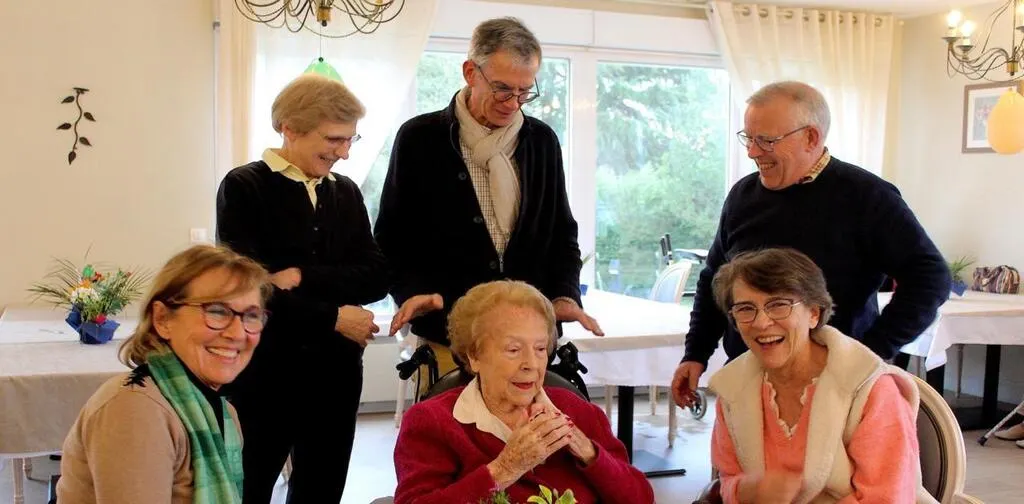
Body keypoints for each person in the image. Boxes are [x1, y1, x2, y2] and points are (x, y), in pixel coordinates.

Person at [672, 81, 950, 409]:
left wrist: (869, 351)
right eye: (749, 138)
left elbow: (931, 277)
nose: (752, 152)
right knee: (740, 461)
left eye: (766, 140)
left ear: (811, 137)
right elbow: (714, 280)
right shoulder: (743, 196)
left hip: (836, 387)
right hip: (750, 379)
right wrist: (696, 353)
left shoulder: (867, 196)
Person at [374, 17, 602, 394]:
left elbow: (562, 234)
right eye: (501, 89)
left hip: (529, 339)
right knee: (452, 446)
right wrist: (411, 291)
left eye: (524, 92)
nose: (513, 103)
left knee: (533, 446)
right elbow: (392, 236)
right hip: (450, 336)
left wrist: (564, 295)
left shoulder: (542, 141)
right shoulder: (420, 139)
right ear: (470, 72)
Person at [216, 73, 389, 503]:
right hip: (264, 374)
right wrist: (334, 317)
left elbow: (375, 277)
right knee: (246, 489)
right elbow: (249, 294)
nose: (345, 153)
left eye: (351, 140)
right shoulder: (243, 187)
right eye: (334, 139)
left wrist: (302, 277)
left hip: (336, 374)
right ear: (289, 128)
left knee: (321, 491)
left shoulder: (345, 192)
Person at [707, 248, 935, 504]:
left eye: (778, 305)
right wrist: (751, 490)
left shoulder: (870, 389)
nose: (761, 323)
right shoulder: (733, 390)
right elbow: (728, 480)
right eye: (745, 309)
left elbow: (887, 498)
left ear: (814, 313)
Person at [393, 280, 653, 504]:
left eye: (541, 349)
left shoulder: (579, 412)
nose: (531, 364)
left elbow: (641, 498)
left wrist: (589, 452)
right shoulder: (432, 423)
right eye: (513, 350)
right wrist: (504, 468)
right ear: (474, 356)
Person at [57, 244, 273, 504]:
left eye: (251, 316)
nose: (238, 334)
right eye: (217, 311)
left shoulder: (223, 412)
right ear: (162, 319)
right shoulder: (135, 408)